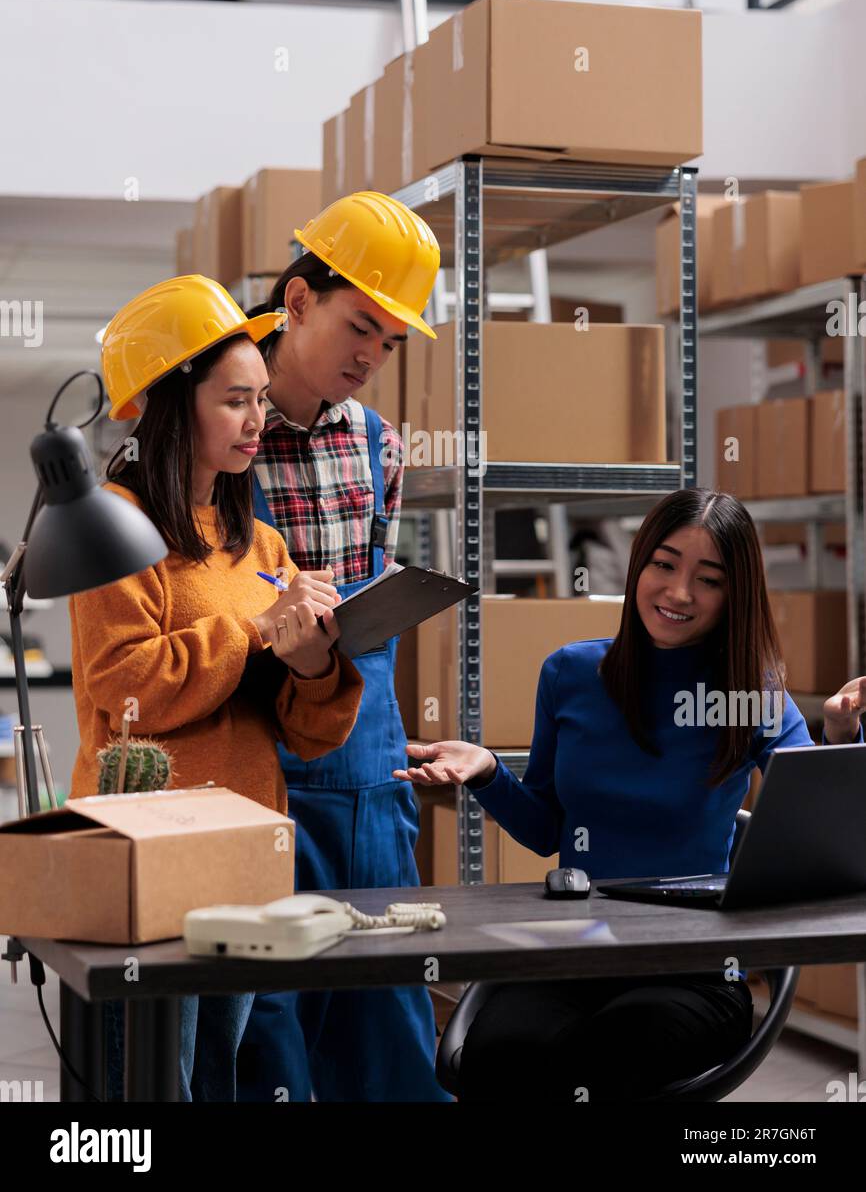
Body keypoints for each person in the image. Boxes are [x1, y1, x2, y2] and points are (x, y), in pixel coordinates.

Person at [396, 487, 866, 1103]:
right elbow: (545, 830)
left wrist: (841, 733)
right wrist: (488, 773)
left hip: (695, 972)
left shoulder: (753, 695)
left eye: (708, 579)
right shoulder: (570, 673)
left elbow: (821, 829)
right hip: (574, 955)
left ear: (735, 595)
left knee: (605, 1058)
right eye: (664, 565)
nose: (678, 592)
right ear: (639, 563)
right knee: (497, 1057)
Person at [69, 275, 364, 1101]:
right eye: (236, 400)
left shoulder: (257, 539)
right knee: (151, 1091)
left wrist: (312, 661)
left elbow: (307, 733)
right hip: (149, 864)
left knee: (212, 1083)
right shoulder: (114, 526)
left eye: (262, 400)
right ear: (175, 403)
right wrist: (253, 632)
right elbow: (129, 690)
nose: (257, 421)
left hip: (241, 858)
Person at [236, 190, 452, 1102]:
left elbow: (369, 575)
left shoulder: (380, 446)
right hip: (243, 722)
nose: (371, 356)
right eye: (360, 325)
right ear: (295, 302)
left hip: (359, 733)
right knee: (259, 984)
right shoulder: (216, 422)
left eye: (391, 341)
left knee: (377, 977)